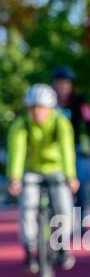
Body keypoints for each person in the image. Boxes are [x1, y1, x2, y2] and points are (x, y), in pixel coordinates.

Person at [6, 83, 78, 273]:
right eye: (33, 108)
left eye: (42, 108)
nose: (37, 113)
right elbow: (17, 152)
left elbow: (67, 150)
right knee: (27, 206)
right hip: (31, 171)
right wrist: (14, 178)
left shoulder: (60, 122)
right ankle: (29, 252)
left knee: (63, 204)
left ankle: (63, 247)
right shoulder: (20, 125)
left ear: (50, 108)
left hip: (56, 169)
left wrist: (71, 176)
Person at [51, 65, 90, 223]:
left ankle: (80, 217)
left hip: (75, 148)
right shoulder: (48, 103)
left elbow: (88, 121)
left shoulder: (79, 102)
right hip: (53, 150)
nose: (62, 87)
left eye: (66, 83)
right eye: (59, 83)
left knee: (78, 181)